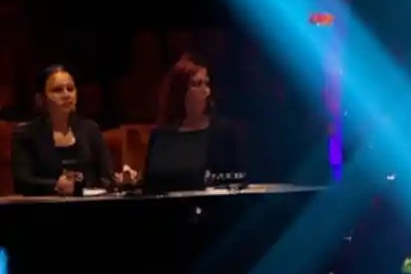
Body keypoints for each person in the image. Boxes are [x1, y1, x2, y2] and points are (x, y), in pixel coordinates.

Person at [11, 65, 134, 196]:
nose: (66, 95)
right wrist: (56, 186)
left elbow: (106, 177)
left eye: (70, 89)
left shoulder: (90, 129)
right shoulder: (26, 134)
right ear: (41, 99)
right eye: (57, 90)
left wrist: (122, 180)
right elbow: (22, 183)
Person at [144, 53, 243, 187]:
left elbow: (231, 186)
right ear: (179, 92)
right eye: (197, 84)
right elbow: (149, 184)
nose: (206, 91)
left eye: (206, 84)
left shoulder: (222, 133)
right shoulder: (160, 134)